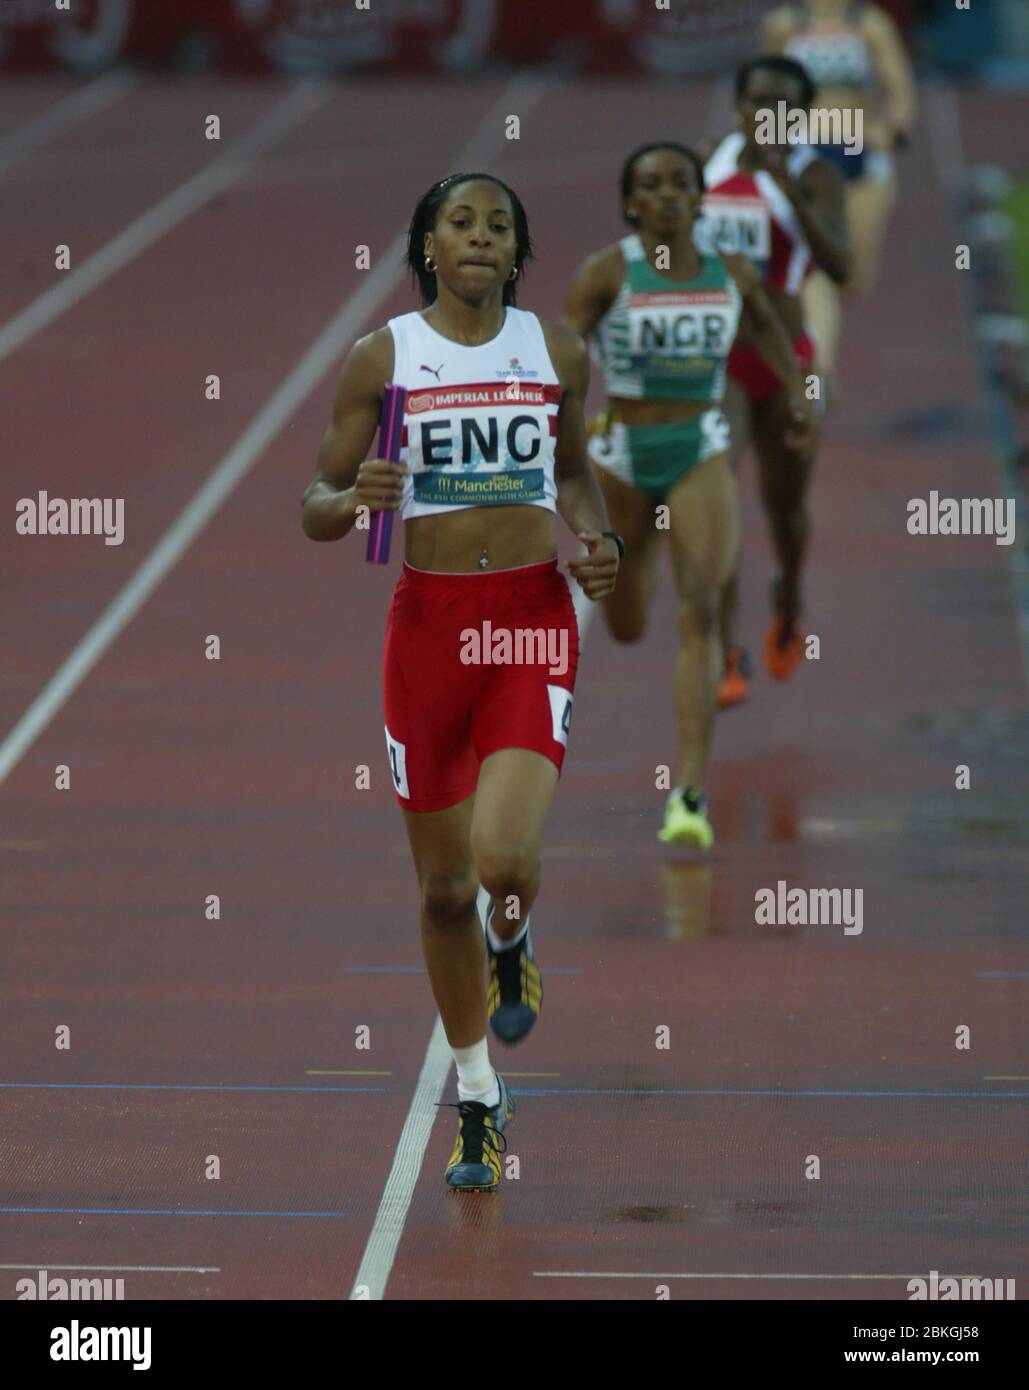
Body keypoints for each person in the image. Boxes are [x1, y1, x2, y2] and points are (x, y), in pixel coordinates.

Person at [301, 173, 621, 1192]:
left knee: (504, 856)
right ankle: (479, 1095)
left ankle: (512, 926)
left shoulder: (555, 351)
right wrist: (355, 496)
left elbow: (572, 468)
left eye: (499, 226)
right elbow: (314, 501)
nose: (481, 238)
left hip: (529, 620)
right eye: (461, 224)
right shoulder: (383, 357)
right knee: (442, 888)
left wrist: (599, 534)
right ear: (429, 247)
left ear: (517, 251)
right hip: (428, 630)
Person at [563, 143, 815, 849]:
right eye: (652, 185)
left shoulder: (729, 272)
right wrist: (564, 421)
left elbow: (768, 332)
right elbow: (559, 351)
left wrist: (796, 399)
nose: (669, 195)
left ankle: (689, 793)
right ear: (630, 203)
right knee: (627, 623)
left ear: (699, 199)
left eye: (681, 183)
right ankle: (635, 567)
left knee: (701, 607)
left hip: (697, 447)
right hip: (621, 454)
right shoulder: (606, 272)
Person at [696, 56, 849, 703]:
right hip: (722, 361)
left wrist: (786, 190)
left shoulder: (814, 174)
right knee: (721, 499)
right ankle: (728, 653)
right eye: (758, 101)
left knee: (784, 509)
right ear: (738, 107)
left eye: (785, 106)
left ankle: (786, 593)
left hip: (790, 363)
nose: (769, 115)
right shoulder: (708, 163)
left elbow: (839, 265)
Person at [763, 0, 917, 387]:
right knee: (816, 266)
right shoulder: (783, 24)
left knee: (853, 276)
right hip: (807, 149)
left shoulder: (869, 24)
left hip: (858, 148)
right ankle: (819, 373)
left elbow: (898, 83)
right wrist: (768, 139)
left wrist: (893, 129)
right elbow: (766, 86)